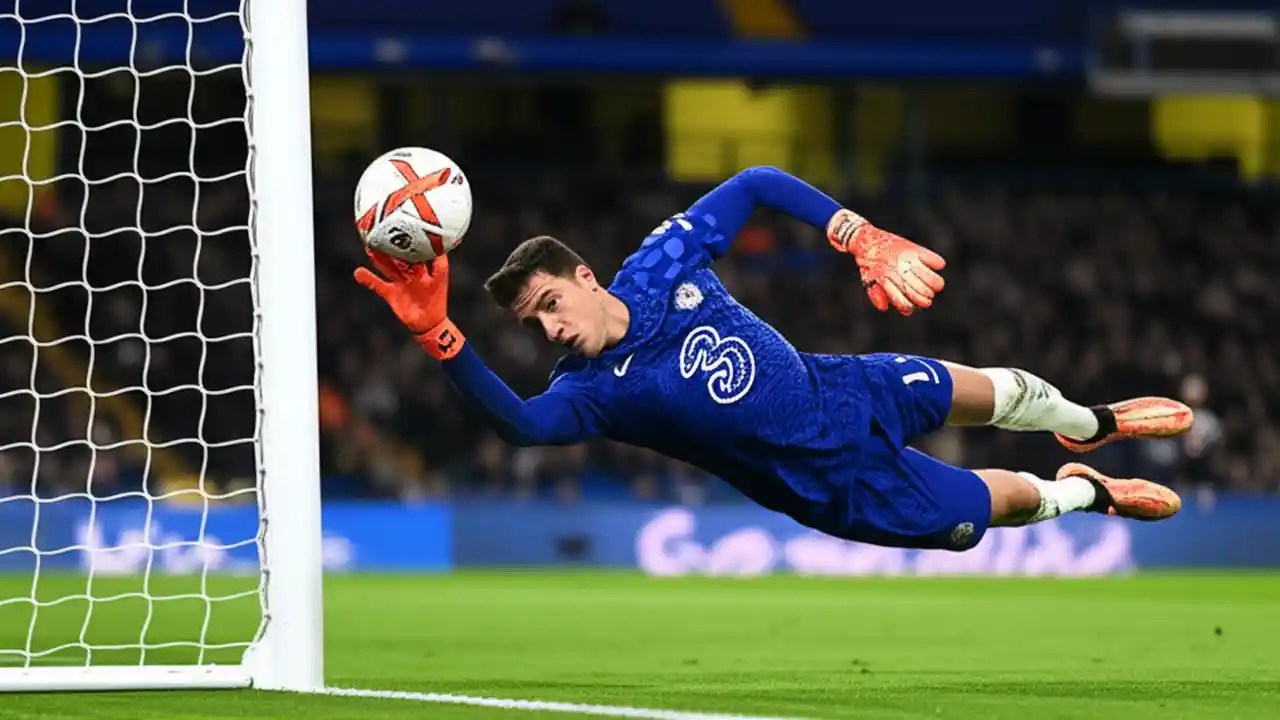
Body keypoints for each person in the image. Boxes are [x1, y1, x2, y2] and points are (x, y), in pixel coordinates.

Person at [354, 166, 1192, 552]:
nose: (549, 331)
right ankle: (1081, 492)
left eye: (548, 306)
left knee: (991, 388)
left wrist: (855, 235)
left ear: (581, 276)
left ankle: (1093, 424)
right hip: (834, 485)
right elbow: (524, 430)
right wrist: (440, 337)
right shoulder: (593, 393)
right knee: (991, 508)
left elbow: (754, 183)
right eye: (533, 327)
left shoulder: (656, 265)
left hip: (842, 384)